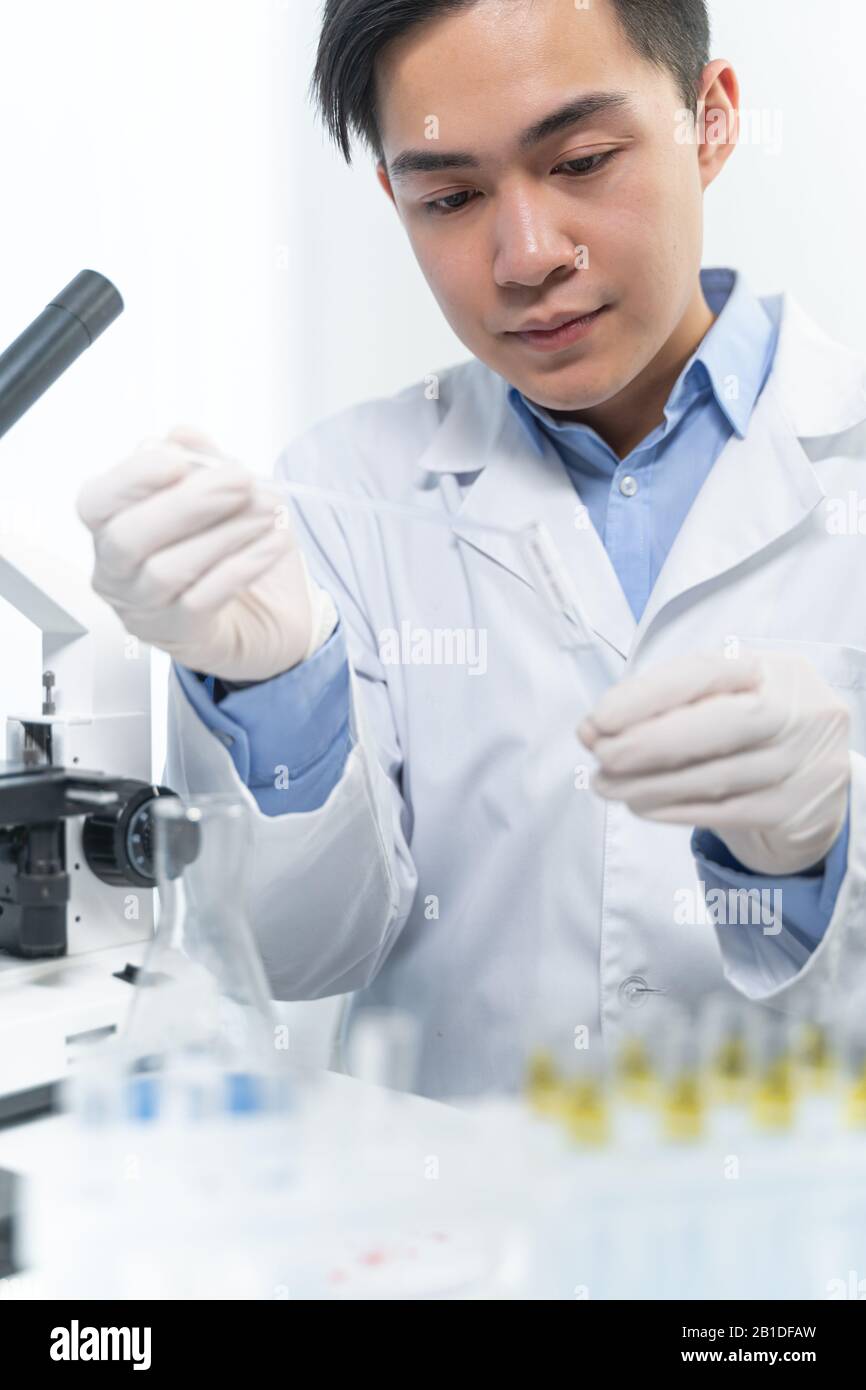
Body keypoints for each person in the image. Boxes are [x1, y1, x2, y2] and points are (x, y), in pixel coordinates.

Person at [76, 0, 866, 1100]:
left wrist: (821, 845)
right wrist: (268, 687)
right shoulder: (344, 489)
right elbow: (295, 954)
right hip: (456, 1244)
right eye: (448, 196)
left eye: (582, 159)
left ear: (712, 119)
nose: (526, 257)